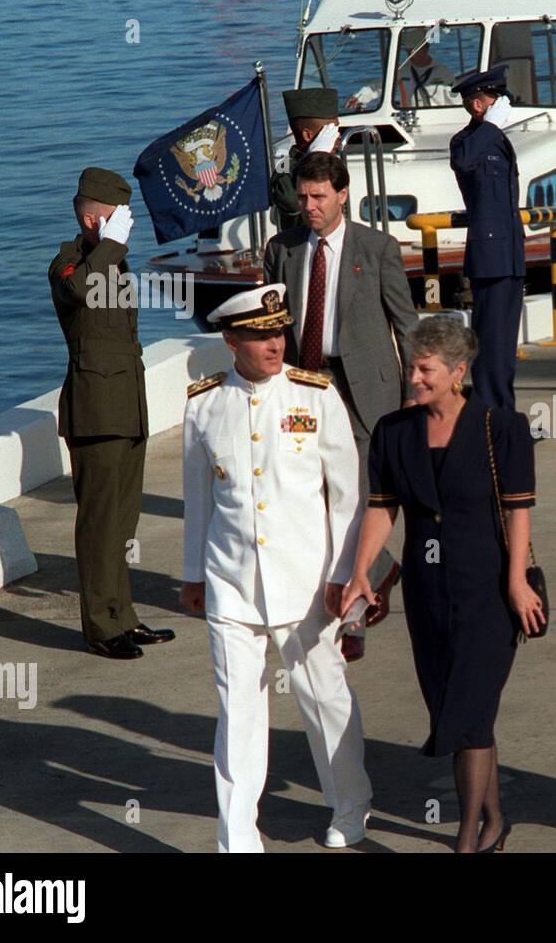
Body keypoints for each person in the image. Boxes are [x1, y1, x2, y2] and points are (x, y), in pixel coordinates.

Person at [179, 284, 372, 853]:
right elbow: (199, 500)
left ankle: (351, 803)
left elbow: (347, 496)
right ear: (231, 339)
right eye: (261, 335)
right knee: (237, 713)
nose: (274, 344)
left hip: (308, 581)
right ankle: (236, 837)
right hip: (231, 583)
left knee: (323, 699)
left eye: (279, 332)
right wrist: (194, 573)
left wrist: (343, 575)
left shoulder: (316, 397)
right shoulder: (204, 405)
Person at [342, 316, 542, 853]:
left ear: (457, 372)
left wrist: (518, 580)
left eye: (425, 368)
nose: (413, 377)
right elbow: (383, 508)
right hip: (426, 592)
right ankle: (495, 821)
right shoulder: (392, 431)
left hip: (489, 592)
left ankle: (466, 839)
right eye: (411, 365)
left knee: (470, 712)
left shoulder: (502, 428)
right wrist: (363, 571)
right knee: (456, 710)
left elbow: (518, 511)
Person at [263, 152, 417, 658]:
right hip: (306, 385)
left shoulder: (377, 248)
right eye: (303, 197)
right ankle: (379, 569)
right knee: (317, 494)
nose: (308, 206)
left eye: (318, 197)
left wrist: (417, 389)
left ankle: (354, 616)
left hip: (364, 392)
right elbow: (272, 325)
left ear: (342, 195)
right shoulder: (281, 250)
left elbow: (405, 323)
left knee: (359, 498)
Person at [48, 167, 173, 660]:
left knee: (122, 522)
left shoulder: (109, 264)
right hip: (96, 410)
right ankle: (101, 626)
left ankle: (124, 615)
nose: (127, 225)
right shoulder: (71, 261)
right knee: (100, 523)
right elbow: (78, 292)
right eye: (118, 216)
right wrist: (108, 247)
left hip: (127, 407)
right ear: (93, 216)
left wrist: (111, 252)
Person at [450, 65, 526, 407]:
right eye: (495, 100)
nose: (501, 107)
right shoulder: (468, 141)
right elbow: (464, 163)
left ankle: (503, 412)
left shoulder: (493, 139)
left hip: (510, 253)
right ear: (479, 104)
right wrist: (492, 126)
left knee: (506, 346)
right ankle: (490, 412)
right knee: (491, 342)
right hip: (490, 256)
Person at [271, 88, 341, 232]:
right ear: (308, 135)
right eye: (329, 131)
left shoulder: (332, 162)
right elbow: (291, 202)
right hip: (301, 248)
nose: (337, 137)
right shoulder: (285, 166)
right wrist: (314, 159)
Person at [397, 30, 457, 108]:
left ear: (426, 48)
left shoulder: (443, 72)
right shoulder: (401, 72)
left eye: (415, 50)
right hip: (411, 116)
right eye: (408, 50)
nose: (411, 54)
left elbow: (455, 98)